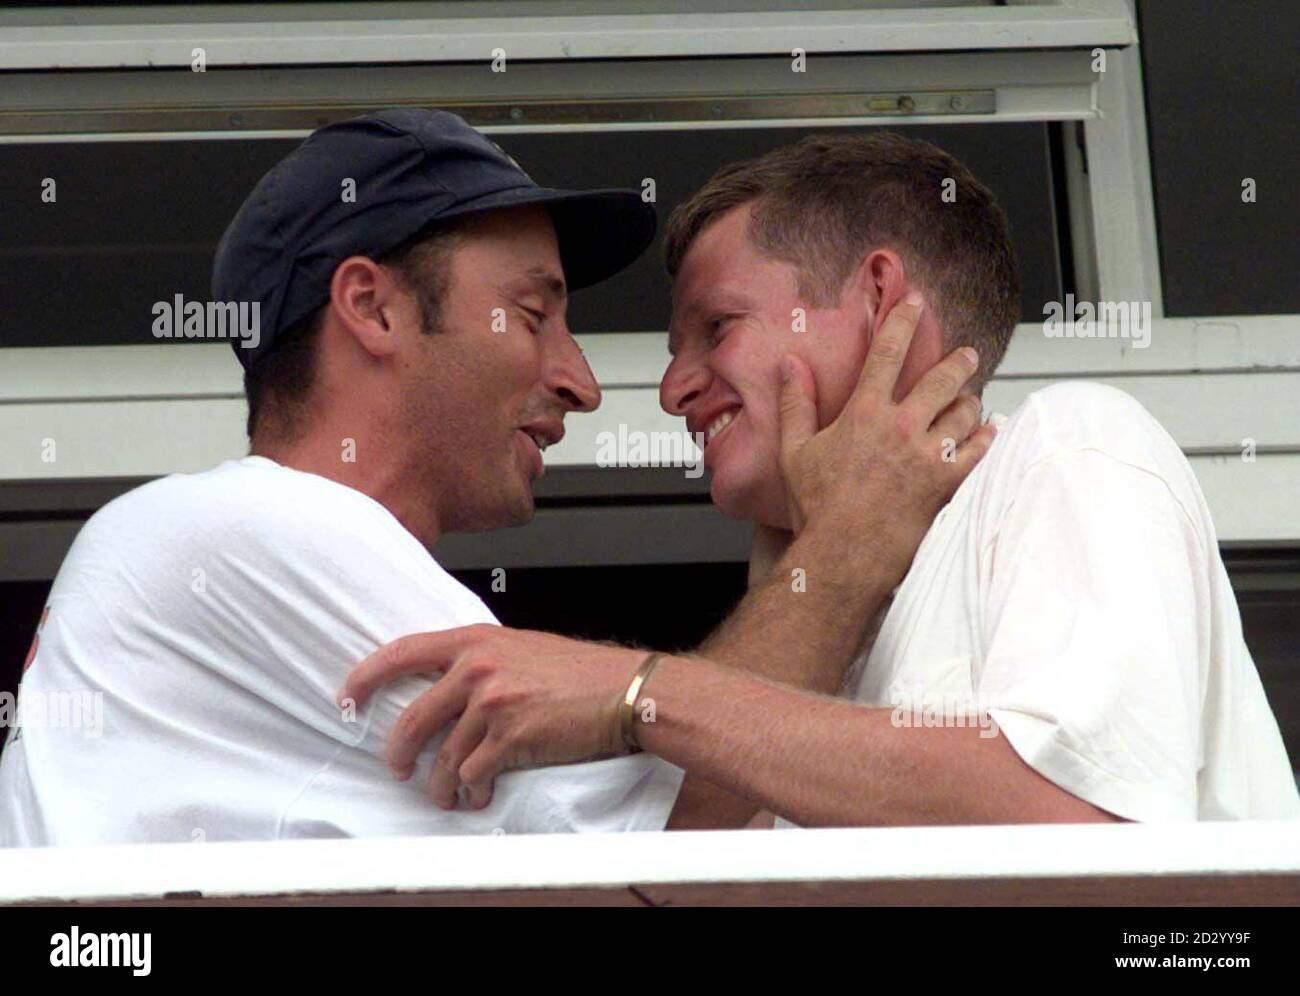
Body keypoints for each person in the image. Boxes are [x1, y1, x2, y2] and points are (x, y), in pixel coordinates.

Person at [0, 111, 987, 846]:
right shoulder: (242, 529)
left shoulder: (230, 557)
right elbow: (684, 848)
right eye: (533, 312)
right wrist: (851, 542)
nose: (582, 381)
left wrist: (792, 552)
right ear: (372, 309)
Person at [343, 133, 1300, 826]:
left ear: (879, 297)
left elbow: (1073, 824)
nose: (674, 389)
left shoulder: (1065, 448)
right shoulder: (836, 606)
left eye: (716, 329)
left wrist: (633, 692)